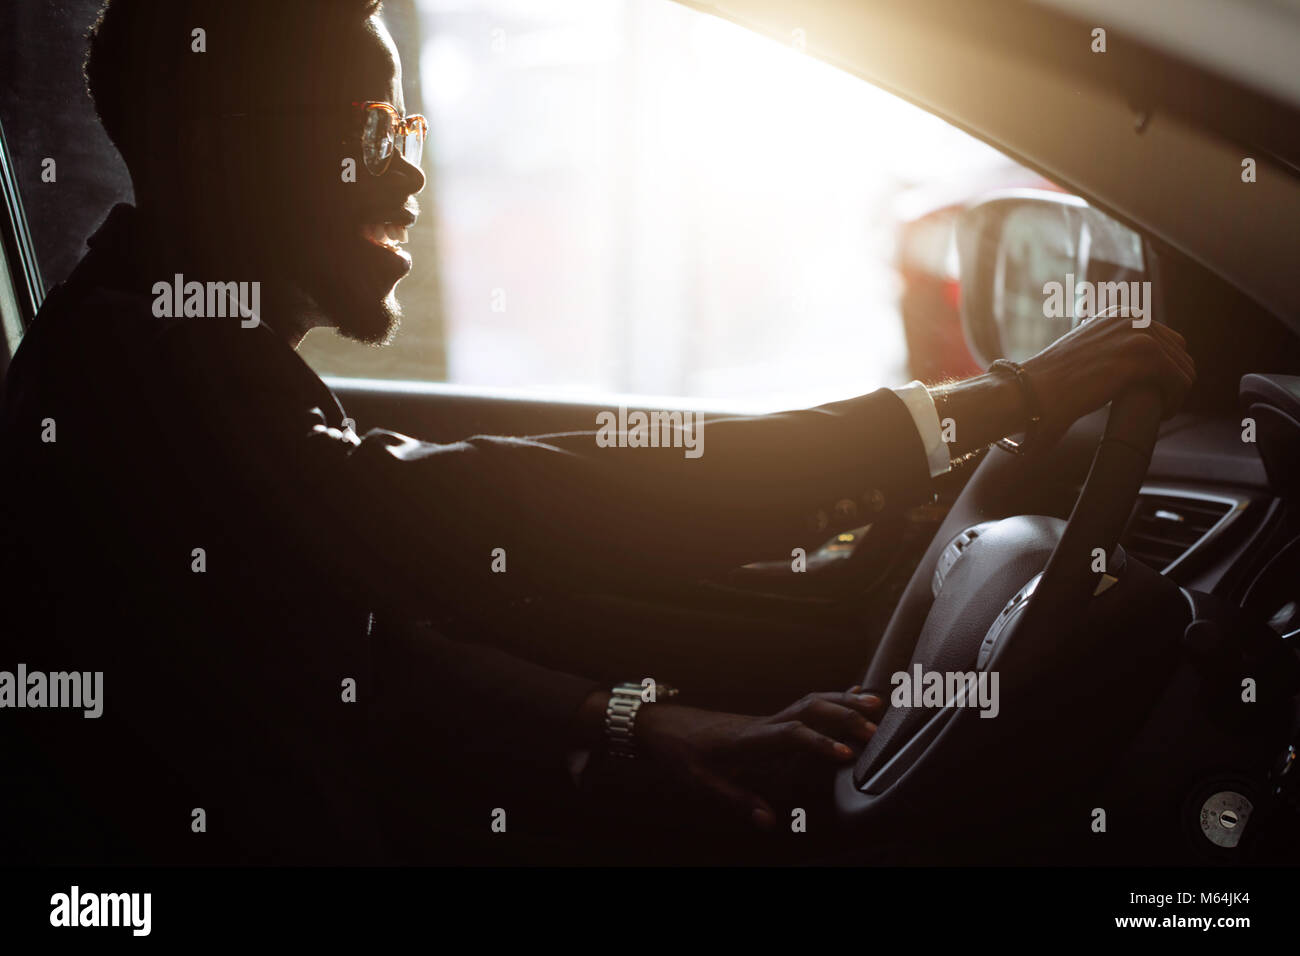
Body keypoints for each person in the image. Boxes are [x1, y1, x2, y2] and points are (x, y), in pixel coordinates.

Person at [0, 0, 1194, 863]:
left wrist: (637, 719)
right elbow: (516, 510)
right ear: (223, 147)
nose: (409, 177)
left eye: (409, 136)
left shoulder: (184, 353)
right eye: (372, 131)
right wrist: (1000, 401)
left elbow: (354, 640)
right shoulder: (133, 372)